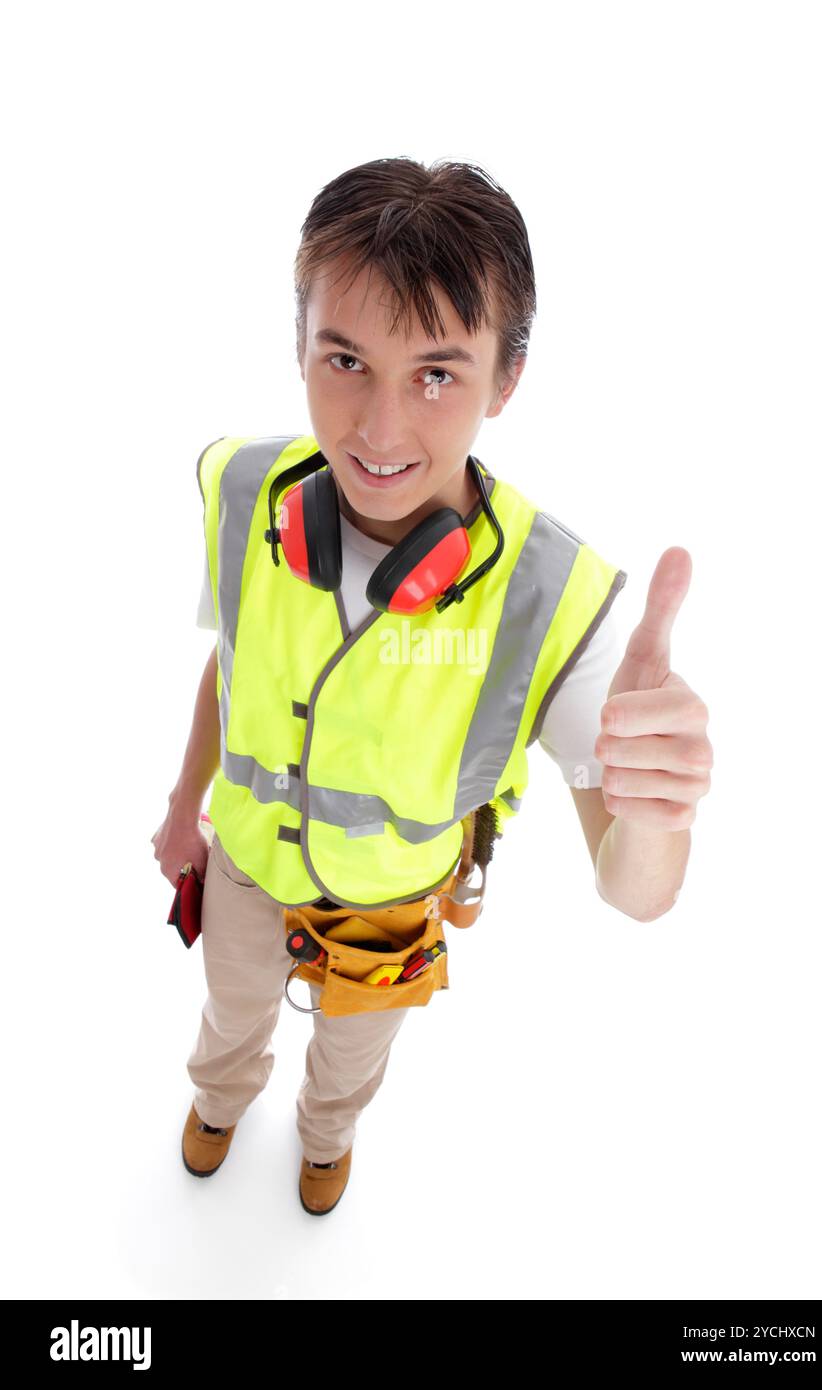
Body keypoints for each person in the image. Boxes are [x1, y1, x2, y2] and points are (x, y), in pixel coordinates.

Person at [151, 157, 710, 1216]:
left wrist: (651, 806)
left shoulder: (556, 599)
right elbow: (228, 666)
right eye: (346, 359)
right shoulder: (240, 490)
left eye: (437, 374)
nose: (377, 429)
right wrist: (185, 807)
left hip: (389, 904)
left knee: (352, 1059)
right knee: (230, 1011)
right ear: (301, 343)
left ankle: (322, 1137)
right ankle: (219, 1102)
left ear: (506, 378)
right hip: (246, 866)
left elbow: (637, 890)